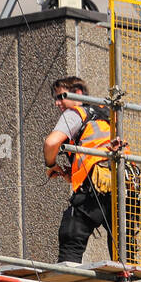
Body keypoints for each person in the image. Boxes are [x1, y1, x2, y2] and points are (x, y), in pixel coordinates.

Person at [44, 75, 122, 265]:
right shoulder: (108, 114)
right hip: (122, 185)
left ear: (77, 93)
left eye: (61, 96)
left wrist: (51, 164)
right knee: (122, 244)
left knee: (71, 234)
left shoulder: (75, 113)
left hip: (94, 189)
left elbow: (51, 142)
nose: (57, 103)